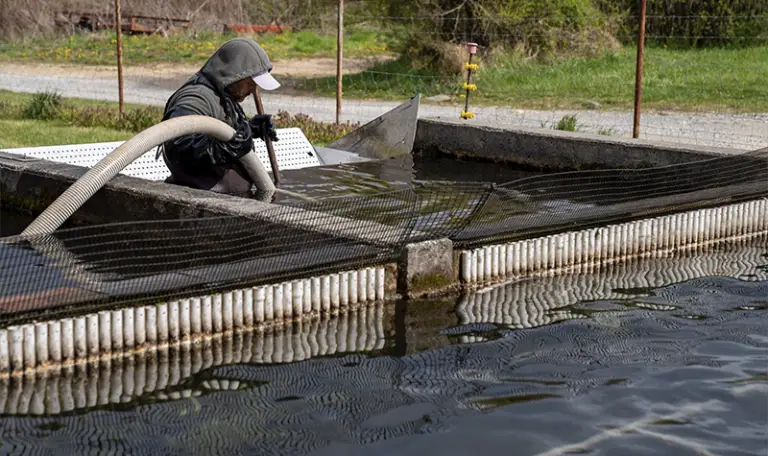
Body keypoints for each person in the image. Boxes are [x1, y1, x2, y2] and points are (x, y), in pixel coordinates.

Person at [157, 38, 281, 195]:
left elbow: (218, 130)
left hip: (229, 199)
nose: (252, 90)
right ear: (233, 75)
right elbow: (179, 145)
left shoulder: (224, 95)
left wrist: (249, 128)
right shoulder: (196, 98)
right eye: (250, 83)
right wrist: (223, 148)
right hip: (201, 202)